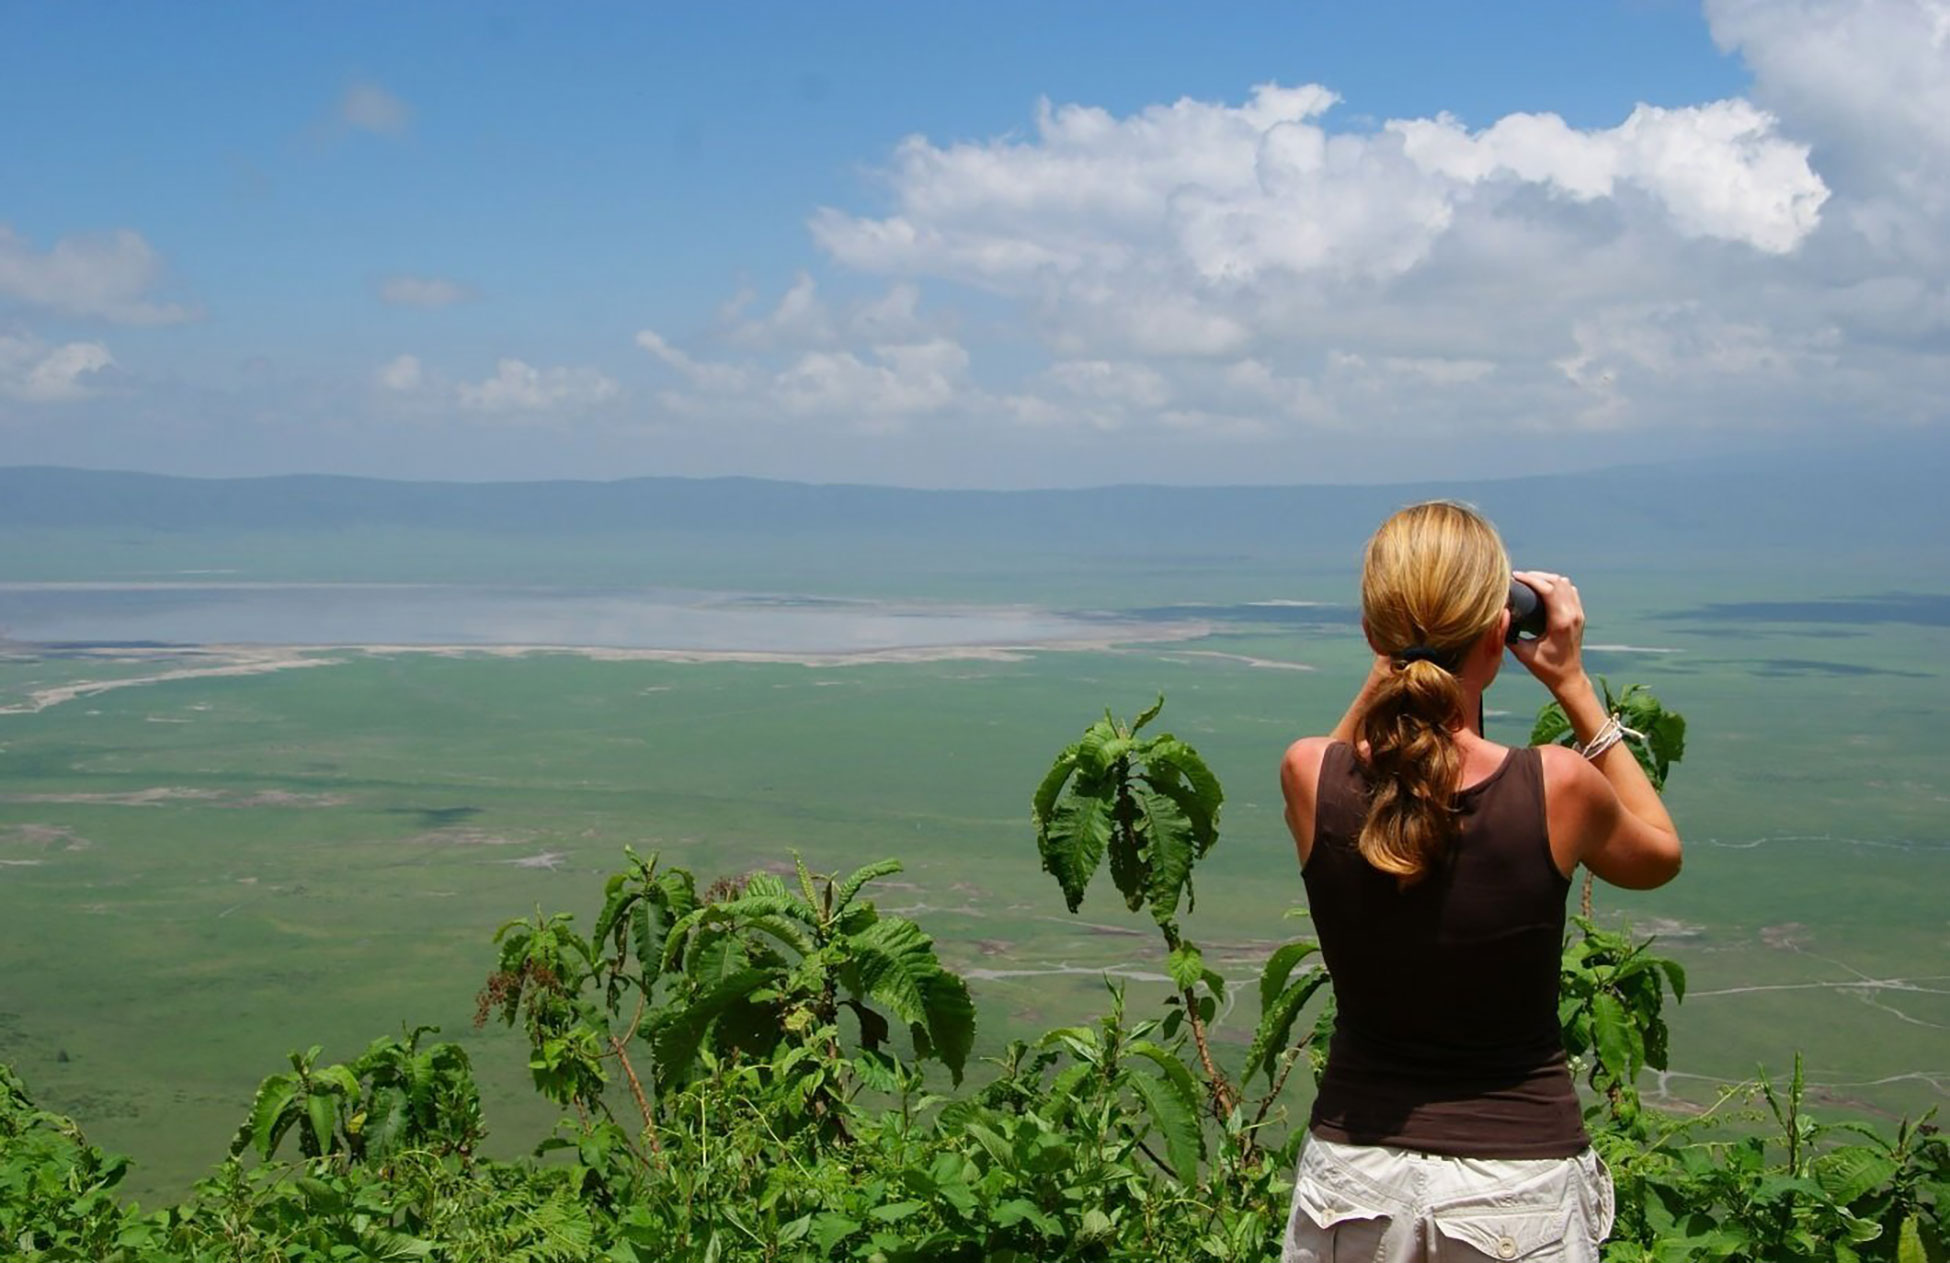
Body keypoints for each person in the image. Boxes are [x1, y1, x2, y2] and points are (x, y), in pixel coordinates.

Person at [1277, 501, 1682, 1263]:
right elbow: (1659, 853)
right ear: (1500, 635)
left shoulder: (1309, 773)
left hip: (1352, 1186)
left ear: (1372, 636)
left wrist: (1394, 666)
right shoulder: (1556, 785)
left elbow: (1341, 772)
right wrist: (1573, 684)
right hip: (1518, 1189)